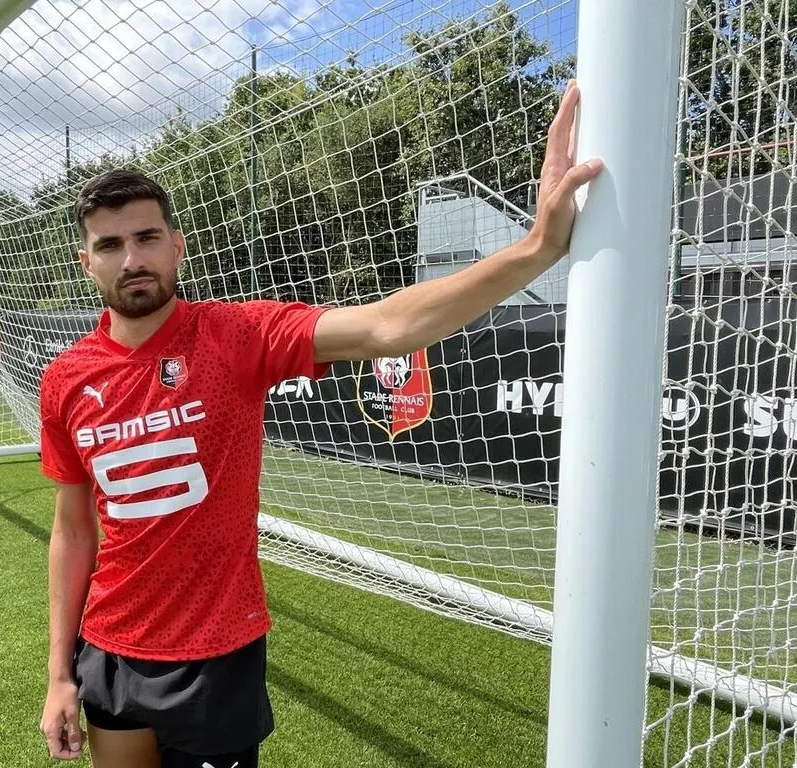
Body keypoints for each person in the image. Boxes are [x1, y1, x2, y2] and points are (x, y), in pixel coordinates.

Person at [38, 80, 602, 768]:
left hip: (215, 652)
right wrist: (60, 673)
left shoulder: (235, 335)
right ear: (86, 262)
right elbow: (72, 529)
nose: (132, 258)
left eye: (147, 237)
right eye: (111, 244)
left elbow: (387, 326)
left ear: (178, 247)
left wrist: (537, 248)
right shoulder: (67, 377)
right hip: (111, 647)